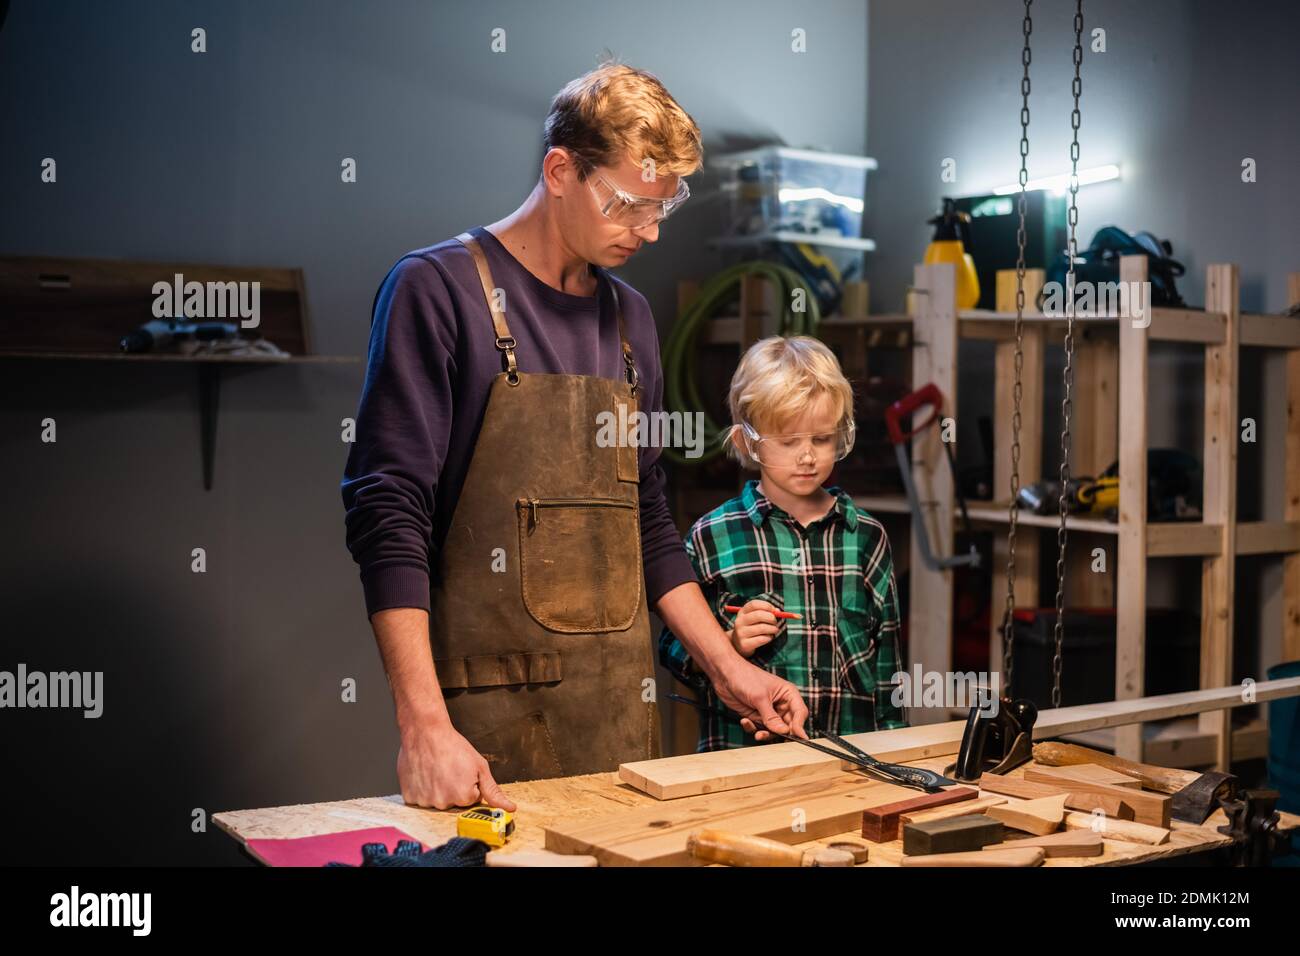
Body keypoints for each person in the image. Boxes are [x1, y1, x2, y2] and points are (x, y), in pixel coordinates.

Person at [341, 63, 809, 811]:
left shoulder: (632, 321)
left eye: (663, 209)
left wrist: (728, 670)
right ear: (560, 170)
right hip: (485, 729)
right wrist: (422, 725)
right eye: (629, 205)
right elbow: (387, 516)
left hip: (620, 721)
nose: (650, 232)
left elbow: (646, 523)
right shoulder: (435, 291)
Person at [660, 335, 907, 751]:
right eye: (789, 442)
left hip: (850, 767)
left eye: (822, 439)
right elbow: (671, 650)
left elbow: (888, 675)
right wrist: (729, 642)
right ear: (746, 443)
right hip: (741, 767)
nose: (808, 457)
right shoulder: (712, 535)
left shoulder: (867, 538)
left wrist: (896, 755)